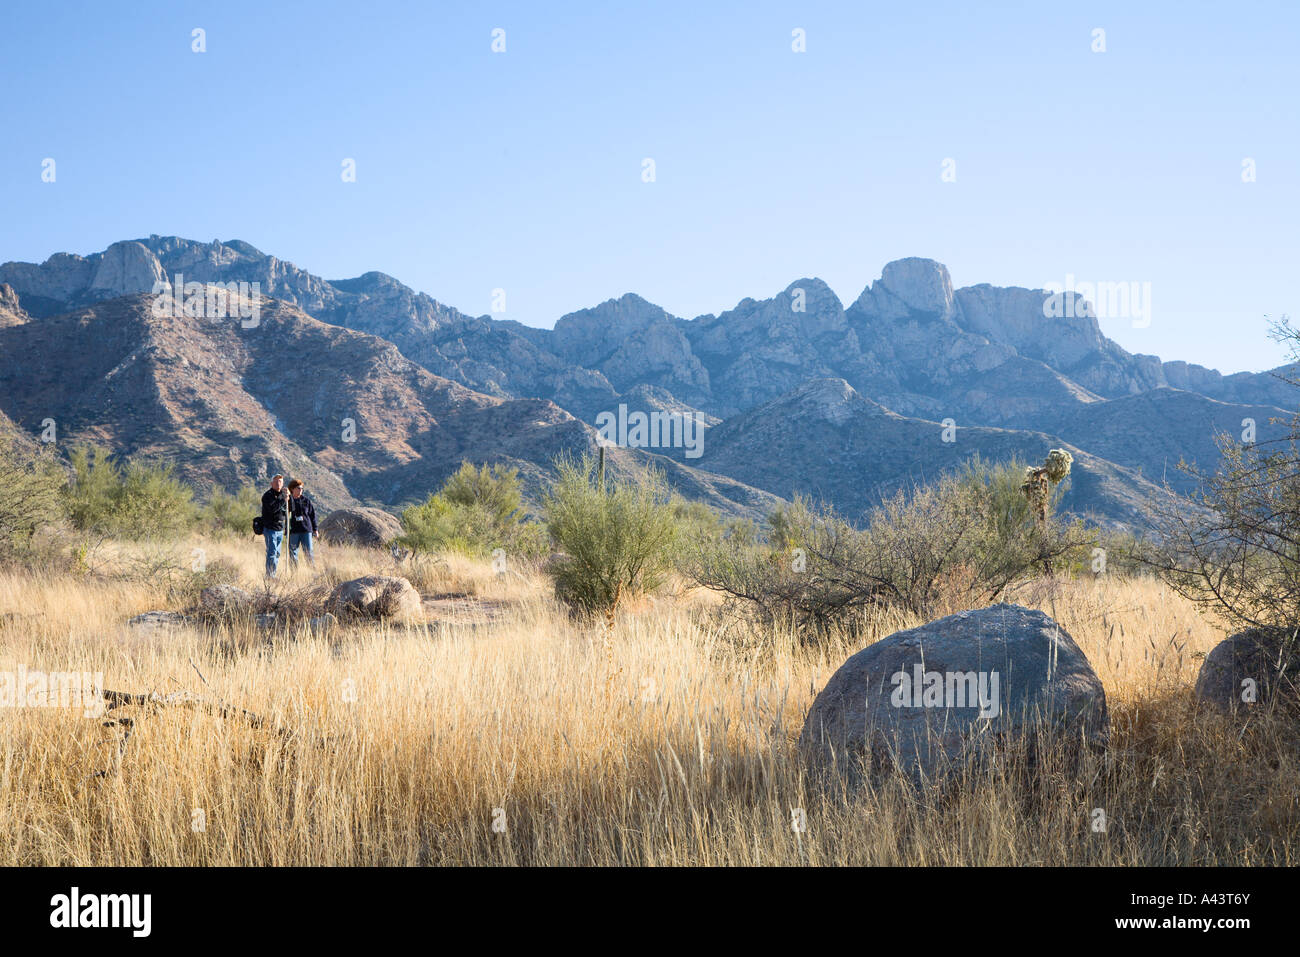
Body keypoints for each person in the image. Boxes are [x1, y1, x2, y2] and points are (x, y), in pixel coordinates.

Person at [260, 474, 290, 578]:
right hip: (270, 528)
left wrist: (288, 498)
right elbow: (273, 509)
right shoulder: (267, 495)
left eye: (280, 481)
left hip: (280, 528)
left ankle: (273, 573)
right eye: (276, 481)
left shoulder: (283, 494)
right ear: (271, 483)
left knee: (277, 553)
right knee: (271, 552)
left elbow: (291, 509)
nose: (278, 483)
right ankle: (270, 576)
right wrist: (283, 500)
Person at [287, 479, 318, 570]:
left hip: (306, 530)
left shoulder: (306, 501)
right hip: (293, 531)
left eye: (302, 488)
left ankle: (312, 572)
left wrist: (315, 529)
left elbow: (312, 515)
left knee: (309, 552)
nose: (301, 490)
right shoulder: (288, 501)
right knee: (293, 553)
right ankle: (294, 574)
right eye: (298, 488)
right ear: (292, 489)